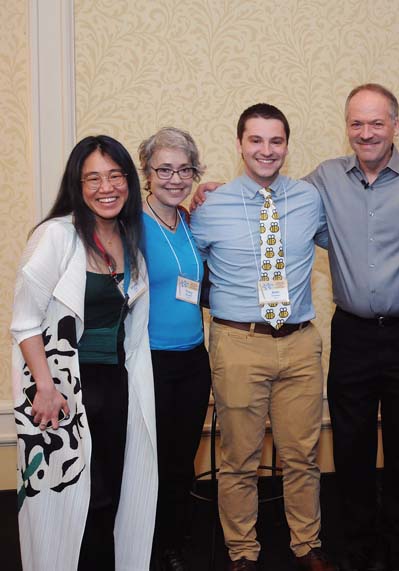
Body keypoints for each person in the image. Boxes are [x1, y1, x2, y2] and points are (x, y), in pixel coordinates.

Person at [192, 84, 399, 571]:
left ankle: (396, 543)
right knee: (348, 446)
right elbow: (266, 192)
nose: (366, 132)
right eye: (357, 123)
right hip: (349, 332)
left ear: (395, 125)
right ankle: (353, 544)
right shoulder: (321, 182)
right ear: (346, 128)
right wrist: (214, 191)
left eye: (376, 123)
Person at [190, 104, 333, 571]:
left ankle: (306, 545)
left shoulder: (310, 199)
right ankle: (243, 552)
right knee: (239, 458)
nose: (266, 150)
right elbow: (182, 263)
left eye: (276, 141)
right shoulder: (211, 206)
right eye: (256, 140)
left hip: (299, 343)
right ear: (239, 145)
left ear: (287, 146)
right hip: (238, 344)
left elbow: (354, 235)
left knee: (302, 455)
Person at [11, 135, 157, 570]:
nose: (105, 187)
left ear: (130, 182)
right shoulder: (56, 236)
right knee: (72, 500)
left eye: (115, 176)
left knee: (110, 495)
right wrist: (45, 387)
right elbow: (24, 321)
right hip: (65, 388)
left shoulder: (130, 237)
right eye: (92, 177)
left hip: (116, 385)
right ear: (77, 184)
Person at [139, 127, 212, 570]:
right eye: (163, 169)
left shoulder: (190, 220)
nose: (174, 178)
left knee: (182, 458)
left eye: (184, 169)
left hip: (192, 358)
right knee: (150, 460)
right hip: (149, 359)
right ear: (146, 174)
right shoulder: (129, 223)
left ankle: (173, 539)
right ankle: (144, 543)